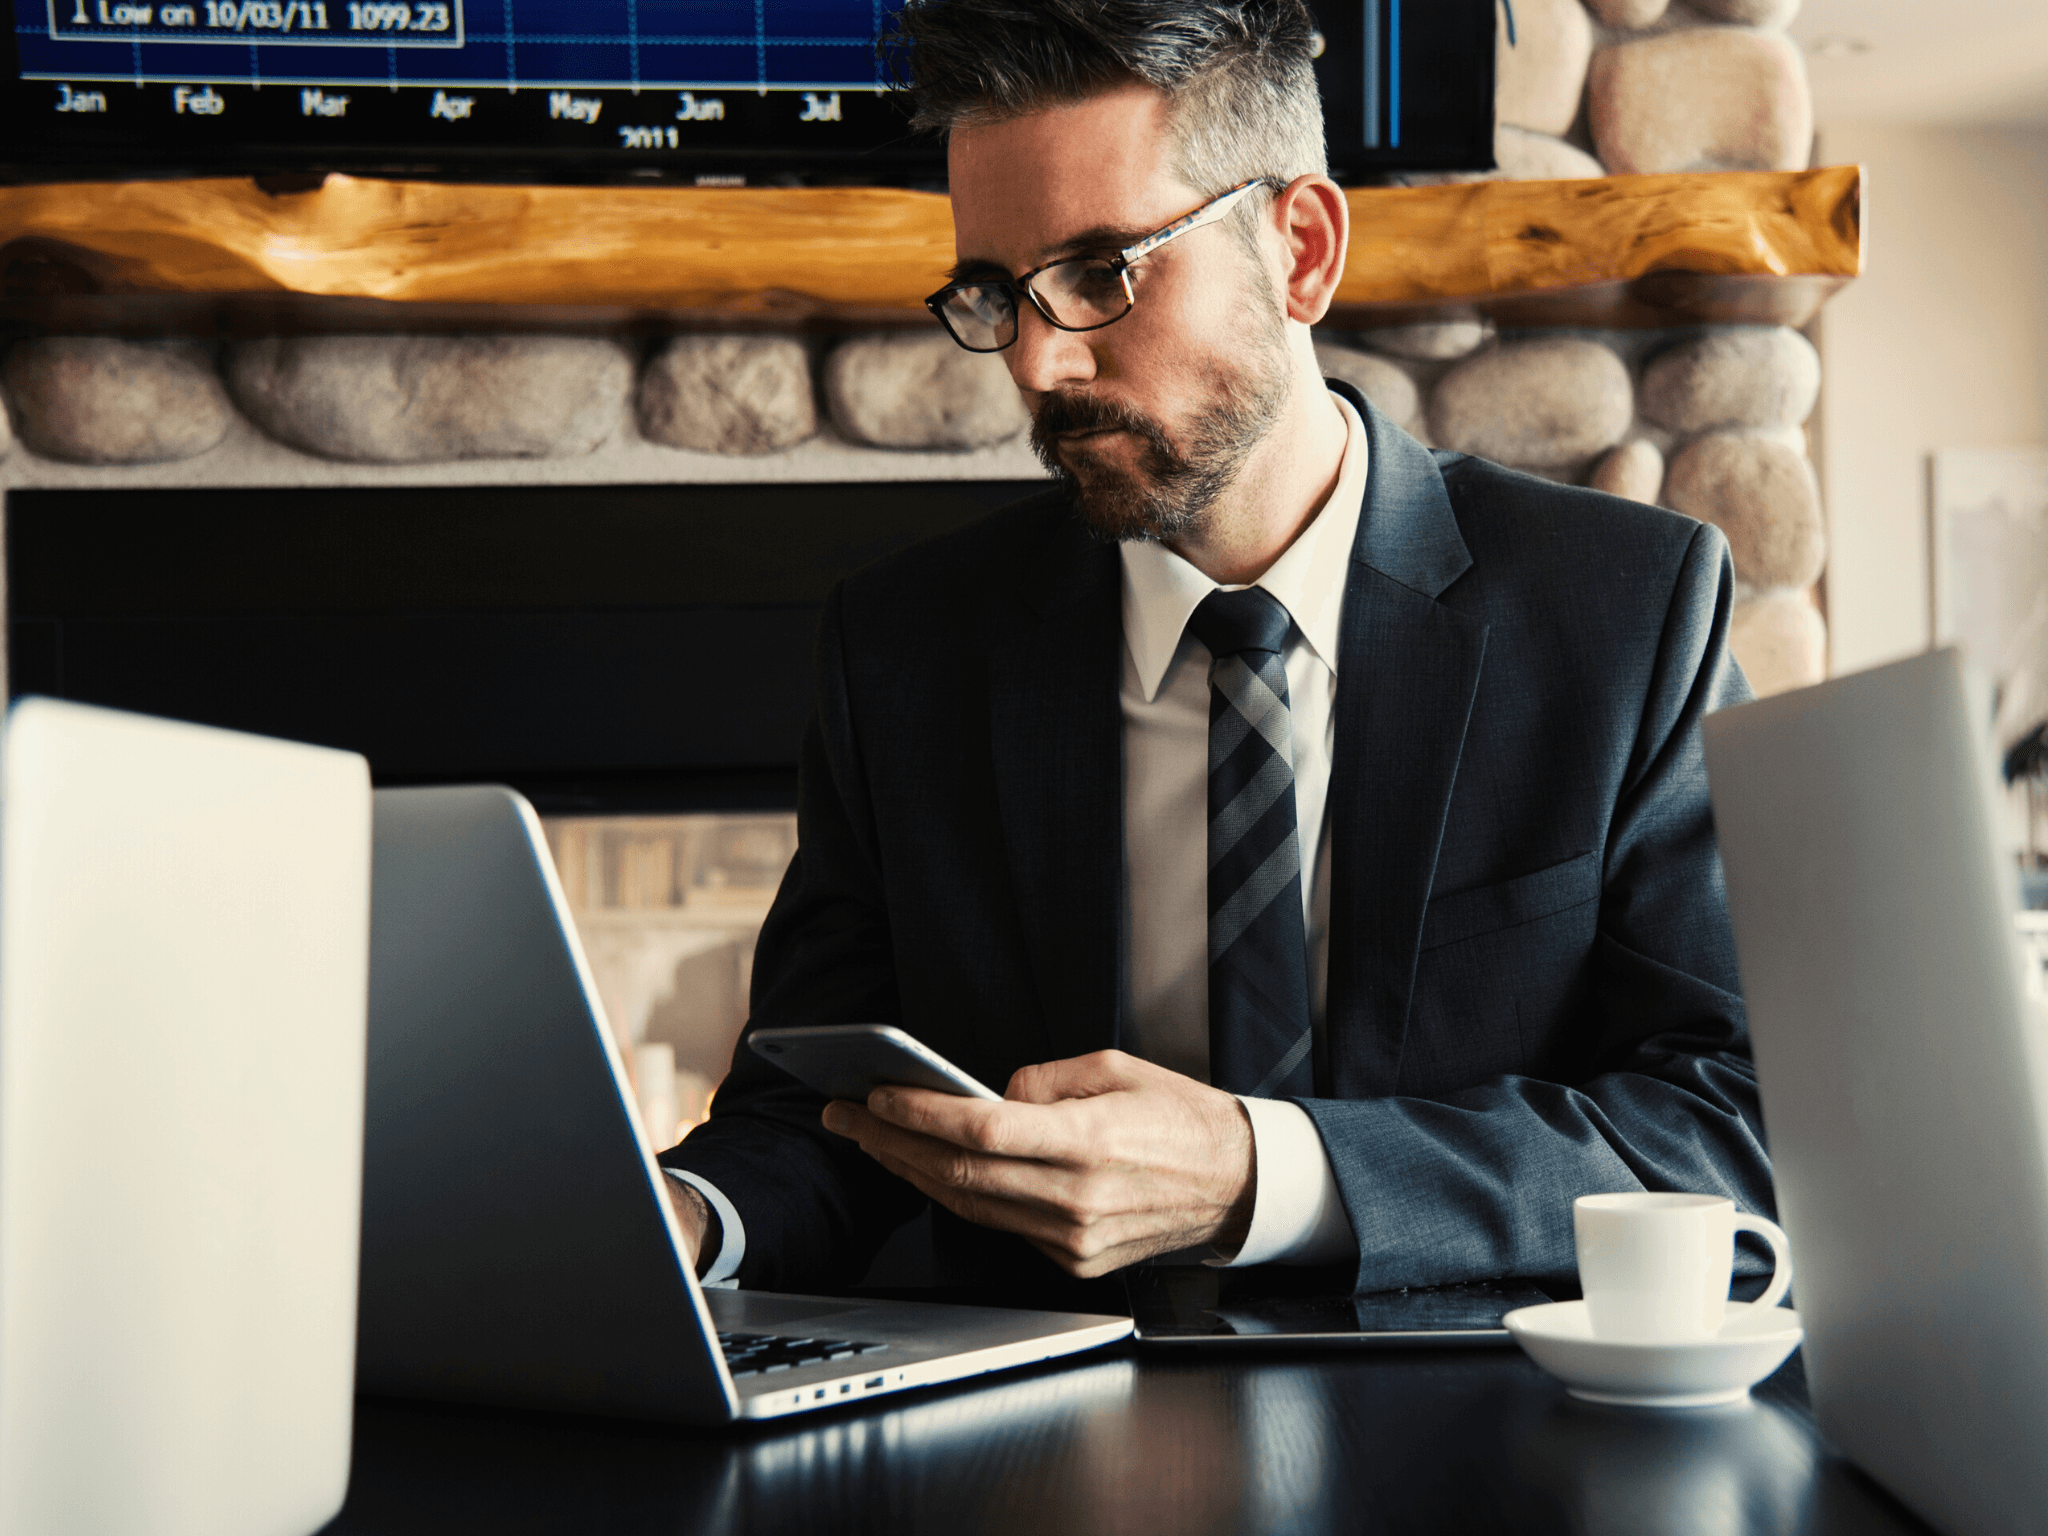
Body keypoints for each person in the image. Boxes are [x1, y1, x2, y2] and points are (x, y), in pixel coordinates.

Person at [657, 0, 1768, 1303]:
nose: (1038, 359)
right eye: (993, 292)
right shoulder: (904, 652)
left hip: (1483, 1438)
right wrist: (680, 1216)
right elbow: (813, 1117)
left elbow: (1729, 1123)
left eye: (1101, 272)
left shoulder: (1626, 614)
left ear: (1300, 250)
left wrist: (1263, 1174)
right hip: (1042, 1459)